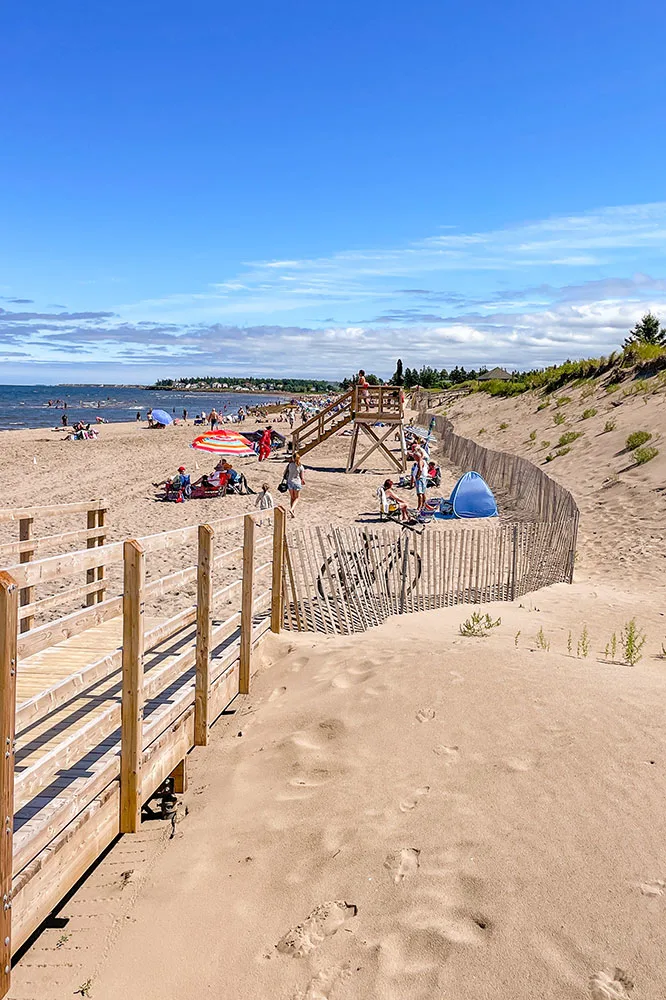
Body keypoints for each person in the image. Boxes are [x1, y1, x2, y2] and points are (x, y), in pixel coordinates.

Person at [285, 452, 305, 517]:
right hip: (297, 482)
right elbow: (302, 477)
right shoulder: (300, 466)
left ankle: (292, 513)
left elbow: (285, 473)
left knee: (292, 497)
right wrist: (303, 481)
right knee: (297, 498)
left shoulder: (289, 465)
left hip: (290, 481)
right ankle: (292, 509)